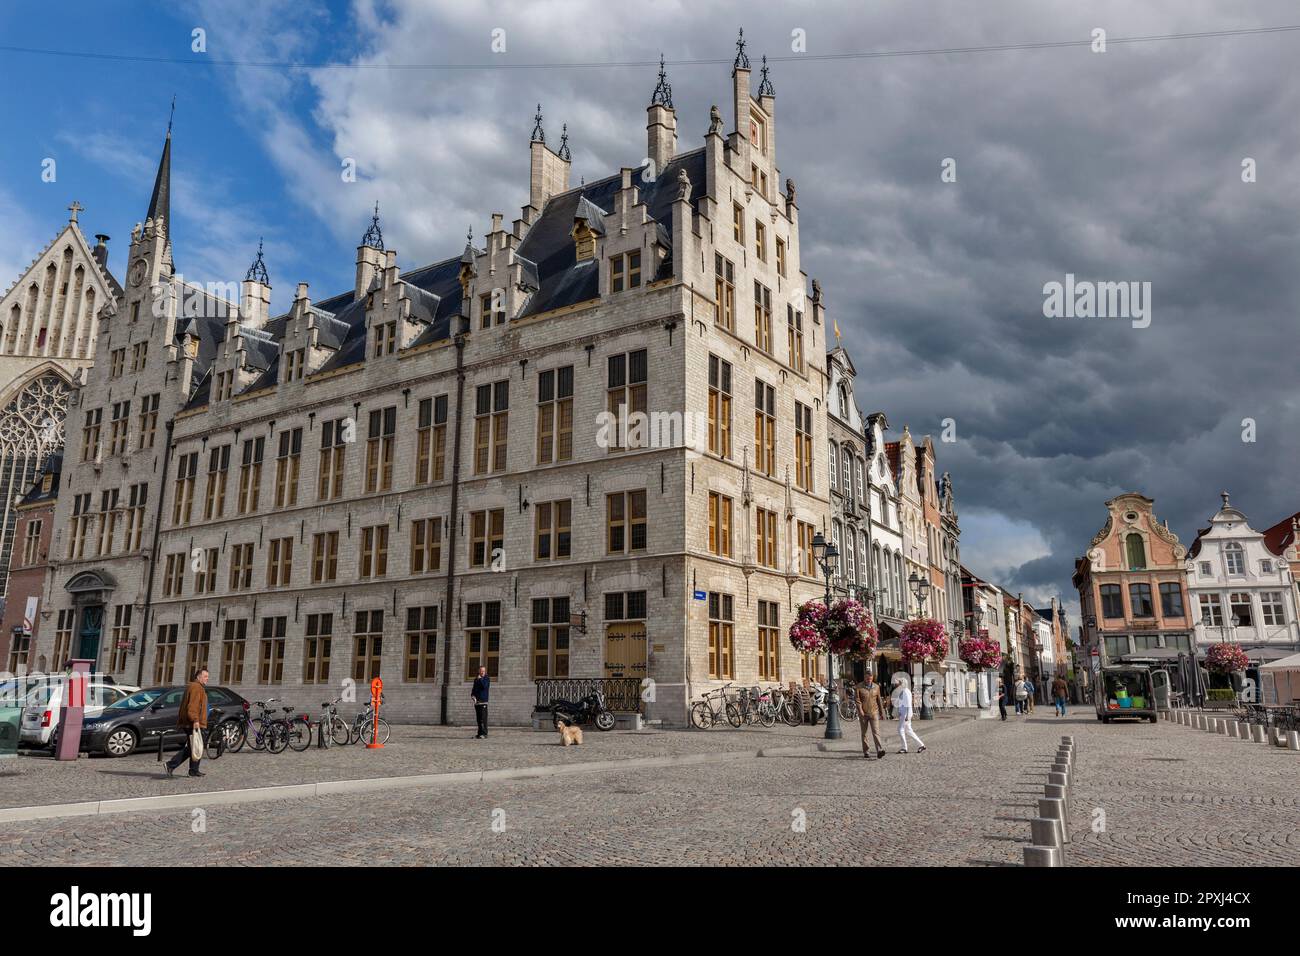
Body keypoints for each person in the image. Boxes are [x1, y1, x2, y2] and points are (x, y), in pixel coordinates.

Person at [165, 667, 209, 778]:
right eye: (205, 676)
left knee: (195, 745)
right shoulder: (195, 687)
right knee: (193, 747)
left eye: (207, 676)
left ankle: (194, 770)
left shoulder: (198, 687)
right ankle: (170, 764)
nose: (207, 679)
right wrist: (195, 720)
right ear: (198, 677)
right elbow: (192, 706)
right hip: (192, 723)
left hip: (194, 722)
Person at [854, 672, 887, 759]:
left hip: (874, 712)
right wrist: (860, 710)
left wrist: (881, 712)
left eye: (871, 678)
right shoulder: (859, 687)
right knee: (864, 733)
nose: (869, 680)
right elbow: (857, 700)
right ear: (864, 678)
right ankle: (866, 751)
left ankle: (879, 750)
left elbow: (879, 700)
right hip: (863, 713)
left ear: (872, 678)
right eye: (868, 678)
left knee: (876, 732)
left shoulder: (876, 687)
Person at [894, 680, 926, 754]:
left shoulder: (906, 691)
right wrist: (899, 711)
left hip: (905, 714)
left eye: (898, 683)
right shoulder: (903, 691)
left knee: (900, 729)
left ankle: (904, 748)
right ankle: (921, 745)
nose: (897, 685)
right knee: (908, 730)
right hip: (903, 713)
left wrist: (907, 715)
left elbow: (908, 704)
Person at [471, 666, 490, 738]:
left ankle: (484, 734)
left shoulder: (486, 679)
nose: (482, 672)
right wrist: (472, 695)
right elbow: (474, 689)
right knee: (478, 719)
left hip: (483, 702)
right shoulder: (476, 679)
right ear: (478, 671)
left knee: (483, 719)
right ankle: (479, 733)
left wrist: (480, 679)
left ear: (485, 672)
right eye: (481, 671)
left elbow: (484, 686)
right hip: (477, 702)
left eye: (483, 671)